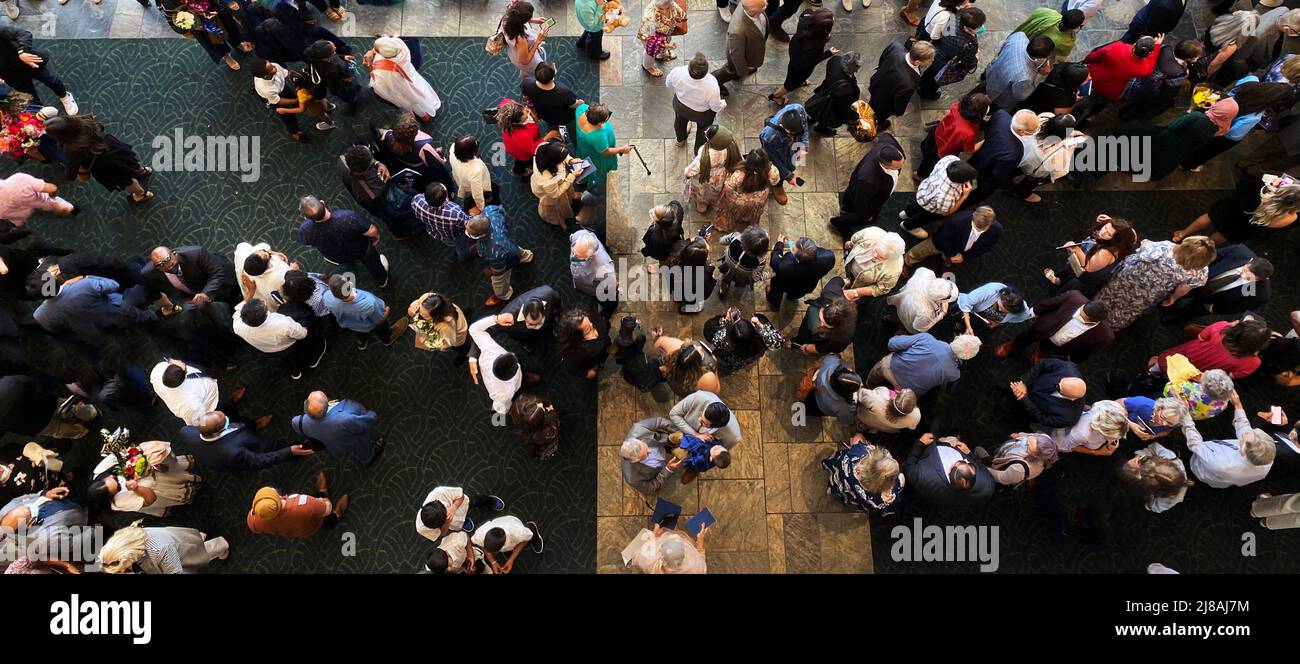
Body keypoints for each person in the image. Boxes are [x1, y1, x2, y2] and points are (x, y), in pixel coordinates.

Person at [1094, 237, 1215, 332]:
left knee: (1110, 293)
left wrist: (1145, 242)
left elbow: (1144, 254)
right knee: (1131, 308)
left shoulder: (1165, 248)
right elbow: (1184, 289)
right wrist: (1173, 298)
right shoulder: (1201, 272)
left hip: (1131, 278)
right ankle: (1109, 327)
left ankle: (1091, 312)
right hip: (1151, 293)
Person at [42, 115, 153, 204]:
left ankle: (141, 194)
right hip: (112, 146)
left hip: (105, 164)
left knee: (126, 181)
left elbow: (70, 175)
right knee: (130, 161)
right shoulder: (84, 121)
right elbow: (101, 128)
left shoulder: (71, 149)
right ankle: (143, 170)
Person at [1181, 391, 1274, 487]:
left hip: (1200, 468)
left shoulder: (1219, 463)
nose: (1246, 433)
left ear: (1242, 451)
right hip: (1229, 477)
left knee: (1188, 457)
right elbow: (1244, 429)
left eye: (1246, 436)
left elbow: (1195, 445)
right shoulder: (1267, 460)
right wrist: (1238, 405)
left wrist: (1185, 416)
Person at [1174, 176, 1300, 246]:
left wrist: (1271, 184)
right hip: (1244, 228)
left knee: (1210, 218)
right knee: (1221, 236)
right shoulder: (1291, 217)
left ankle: (1182, 234)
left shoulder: (1258, 188)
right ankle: (1198, 247)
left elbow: (1240, 186)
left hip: (1230, 212)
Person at [32, 273, 155, 345]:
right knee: (138, 315)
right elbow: (114, 285)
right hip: (117, 312)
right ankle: (151, 320)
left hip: (95, 333)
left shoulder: (39, 315)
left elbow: (55, 329)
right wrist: (86, 278)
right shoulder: (84, 284)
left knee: (118, 334)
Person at [87, 441, 201, 517]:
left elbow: (124, 454)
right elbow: (150, 499)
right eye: (118, 486)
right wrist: (136, 488)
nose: (119, 480)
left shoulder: (100, 470)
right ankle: (186, 487)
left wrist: (138, 460)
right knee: (149, 483)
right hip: (152, 489)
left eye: (115, 478)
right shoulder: (118, 502)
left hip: (147, 472)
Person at [296, 195, 390, 288]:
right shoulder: (348, 217)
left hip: (335, 255)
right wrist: (376, 237)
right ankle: (381, 281)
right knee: (374, 264)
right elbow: (372, 231)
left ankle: (350, 267)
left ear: (306, 218)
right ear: (322, 203)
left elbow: (308, 244)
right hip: (362, 249)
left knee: (346, 262)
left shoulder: (304, 230)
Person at [1164, 246, 1272, 324]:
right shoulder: (1239, 251)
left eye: (1249, 278)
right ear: (1250, 261)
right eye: (1244, 271)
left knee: (1190, 312)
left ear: (1262, 279)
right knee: (1174, 293)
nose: (1243, 276)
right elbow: (1212, 258)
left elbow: (1238, 307)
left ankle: (1173, 320)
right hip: (1198, 281)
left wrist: (1213, 308)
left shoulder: (1261, 294)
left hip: (1213, 301)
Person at [996, 291, 1113, 362]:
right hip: (1044, 327)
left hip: (1058, 346)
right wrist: (1032, 313)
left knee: (1045, 350)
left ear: (1094, 321)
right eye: (1081, 310)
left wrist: (1072, 360)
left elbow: (1086, 352)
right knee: (1026, 337)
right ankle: (1012, 346)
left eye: (1083, 318)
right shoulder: (1074, 297)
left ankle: (1039, 353)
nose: (1078, 315)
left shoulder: (1104, 336)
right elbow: (1049, 304)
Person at [1042, 214, 1138, 297]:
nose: (1102, 232)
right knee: (1070, 271)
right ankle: (1060, 280)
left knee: (1070, 287)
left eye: (1108, 234)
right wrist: (1111, 221)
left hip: (1087, 276)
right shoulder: (1126, 238)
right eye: (1105, 227)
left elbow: (1089, 267)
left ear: (1116, 239)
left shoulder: (1106, 253)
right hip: (1092, 260)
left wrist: (1077, 250)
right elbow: (1131, 231)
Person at [830, 134, 905, 237]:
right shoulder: (868, 180)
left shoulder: (888, 143)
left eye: (902, 162)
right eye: (898, 166)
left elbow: (885, 135)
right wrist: (866, 215)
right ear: (884, 165)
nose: (902, 166)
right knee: (859, 214)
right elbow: (861, 201)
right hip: (864, 194)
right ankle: (839, 222)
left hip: (867, 188)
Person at [1078, 36, 1163, 125]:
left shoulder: (1117, 47)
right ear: (1148, 53)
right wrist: (1157, 47)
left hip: (1092, 77)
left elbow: (1094, 56)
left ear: (1134, 44)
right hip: (1109, 92)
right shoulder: (1143, 68)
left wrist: (1086, 61)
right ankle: (1089, 115)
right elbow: (1150, 66)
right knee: (1100, 104)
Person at [869, 332, 981, 398]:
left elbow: (891, 344)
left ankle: (870, 384)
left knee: (880, 367)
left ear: (956, 338)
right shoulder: (954, 374)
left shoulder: (927, 338)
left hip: (890, 368)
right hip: (905, 392)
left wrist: (898, 337)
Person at [965, 110, 1039, 208]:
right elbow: (999, 175)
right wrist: (1010, 186)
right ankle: (964, 204)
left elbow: (987, 129)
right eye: (1033, 131)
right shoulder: (1013, 153)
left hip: (979, 156)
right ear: (1022, 132)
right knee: (982, 191)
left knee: (965, 173)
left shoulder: (1001, 115)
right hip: (988, 173)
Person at [0, 24, 78, 113]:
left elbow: (23, 34)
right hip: (11, 75)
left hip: (28, 63)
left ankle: (64, 96)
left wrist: (23, 51)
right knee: (29, 97)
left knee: (51, 80)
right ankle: (39, 112)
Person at [291, 390, 384, 465]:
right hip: (351, 440)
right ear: (327, 402)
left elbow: (299, 428)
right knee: (362, 440)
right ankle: (368, 457)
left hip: (335, 447)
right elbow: (366, 421)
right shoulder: (346, 418)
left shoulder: (298, 421)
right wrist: (372, 414)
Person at [902, 433, 994, 508]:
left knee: (947, 438)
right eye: (969, 464)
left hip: (932, 449)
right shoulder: (987, 486)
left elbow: (908, 466)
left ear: (950, 469)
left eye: (962, 462)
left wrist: (920, 443)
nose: (966, 460)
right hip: (944, 500)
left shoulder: (923, 475)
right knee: (954, 439)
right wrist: (969, 453)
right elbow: (981, 466)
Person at [467, 205, 534, 308]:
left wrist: (490, 272)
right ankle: (527, 257)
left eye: (470, 234)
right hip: (508, 242)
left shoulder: (493, 252)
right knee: (517, 251)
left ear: (482, 235)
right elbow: (501, 210)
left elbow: (499, 271)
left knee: (499, 281)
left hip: (505, 259)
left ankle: (503, 295)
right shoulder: (490, 211)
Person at [97, 523, 228, 574]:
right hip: (172, 540)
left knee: (201, 553)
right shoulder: (123, 540)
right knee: (196, 546)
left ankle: (222, 545)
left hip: (179, 554)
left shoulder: (160, 551)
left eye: (123, 570)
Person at [139, 245, 239, 312]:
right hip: (193, 291)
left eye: (173, 264)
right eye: (166, 268)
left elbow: (217, 274)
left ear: (174, 254)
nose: (171, 269)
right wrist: (167, 305)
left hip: (220, 281)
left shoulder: (196, 253)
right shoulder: (148, 273)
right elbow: (152, 291)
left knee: (235, 304)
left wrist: (205, 293)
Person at [1014, 113, 1087, 203]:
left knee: (1014, 171)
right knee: (1031, 182)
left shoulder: (1040, 119)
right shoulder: (1060, 152)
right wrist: (1072, 146)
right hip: (1034, 170)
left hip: (1018, 155)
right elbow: (1061, 171)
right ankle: (1021, 193)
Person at [247, 473, 348, 538]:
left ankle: (322, 492)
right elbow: (327, 508)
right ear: (278, 499)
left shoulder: (254, 520)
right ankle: (337, 513)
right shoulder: (304, 505)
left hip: (297, 530)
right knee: (328, 515)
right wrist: (324, 499)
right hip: (314, 522)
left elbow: (255, 529)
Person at [323, 275, 409, 351]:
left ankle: (362, 342)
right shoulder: (370, 303)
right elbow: (380, 320)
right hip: (369, 324)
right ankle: (387, 340)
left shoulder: (326, 296)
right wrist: (387, 311)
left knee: (359, 331)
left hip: (351, 325)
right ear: (350, 284)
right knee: (381, 328)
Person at [373, 112, 454, 192]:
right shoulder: (423, 148)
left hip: (406, 167)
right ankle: (450, 189)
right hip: (424, 169)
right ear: (414, 134)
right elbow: (437, 163)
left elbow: (381, 132)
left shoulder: (388, 137)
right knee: (441, 173)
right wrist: (438, 152)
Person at [364, 36, 440, 121]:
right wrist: (373, 51)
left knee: (411, 97)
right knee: (419, 89)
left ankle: (423, 112)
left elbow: (379, 88)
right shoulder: (399, 44)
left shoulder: (384, 71)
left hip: (401, 84)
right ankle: (426, 107)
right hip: (410, 75)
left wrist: (371, 67)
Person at [915, 91, 988, 180]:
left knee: (926, 146)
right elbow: (969, 150)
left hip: (937, 132)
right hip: (944, 149)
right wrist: (983, 142)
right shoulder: (968, 132)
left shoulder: (956, 106)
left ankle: (924, 155)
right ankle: (920, 175)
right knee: (929, 163)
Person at [868, 38, 935, 132]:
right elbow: (900, 100)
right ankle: (877, 124)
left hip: (876, 83)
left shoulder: (896, 46)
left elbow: (883, 59)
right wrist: (899, 112)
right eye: (930, 60)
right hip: (886, 101)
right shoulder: (909, 83)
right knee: (880, 114)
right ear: (917, 62)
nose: (932, 61)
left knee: (873, 103)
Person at [899, 157, 977, 237]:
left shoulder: (951, 159)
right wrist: (964, 196)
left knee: (917, 204)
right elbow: (946, 213)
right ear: (959, 181)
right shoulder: (947, 194)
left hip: (926, 191)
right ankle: (907, 226)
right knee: (924, 217)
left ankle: (905, 214)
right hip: (933, 207)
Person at [772, 9, 836, 107]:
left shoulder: (806, 19)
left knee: (795, 75)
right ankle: (776, 96)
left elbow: (806, 12)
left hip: (795, 51)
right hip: (800, 66)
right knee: (791, 83)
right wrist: (828, 53)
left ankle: (801, 81)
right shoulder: (815, 46)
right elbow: (810, 63)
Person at [918, 7, 984, 100]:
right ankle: (926, 93)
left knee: (931, 70)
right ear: (968, 28)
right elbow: (970, 64)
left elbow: (949, 32)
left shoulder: (955, 16)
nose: (981, 27)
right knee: (937, 79)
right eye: (979, 26)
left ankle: (921, 82)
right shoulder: (968, 44)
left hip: (938, 50)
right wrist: (976, 57)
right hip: (946, 62)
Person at [822, 440, 903, 515]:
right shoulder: (880, 498)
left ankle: (831, 480)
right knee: (902, 481)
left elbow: (858, 442)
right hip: (857, 496)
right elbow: (881, 505)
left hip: (842, 475)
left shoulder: (858, 453)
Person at [667, 53, 727, 153]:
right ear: (706, 71)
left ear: (689, 66)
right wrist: (723, 104)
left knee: (679, 122)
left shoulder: (677, 72)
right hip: (702, 115)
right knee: (703, 132)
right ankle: (697, 151)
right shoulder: (712, 85)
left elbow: (668, 83)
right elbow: (715, 107)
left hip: (681, 106)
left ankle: (680, 140)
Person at [468, 313, 526, 415]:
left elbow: (473, 329)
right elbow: (499, 405)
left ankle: (524, 377)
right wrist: (507, 411)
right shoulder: (504, 394)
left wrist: (496, 319)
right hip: (508, 390)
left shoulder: (489, 350)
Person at [714, 148, 781, 231]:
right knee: (754, 206)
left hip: (740, 201)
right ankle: (748, 218)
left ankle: (723, 225)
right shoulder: (773, 171)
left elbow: (728, 188)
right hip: (758, 200)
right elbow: (775, 182)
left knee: (728, 203)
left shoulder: (739, 175)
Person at [983, 33, 1055, 111]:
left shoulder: (1020, 36)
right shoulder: (1025, 77)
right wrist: (1041, 75)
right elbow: (1020, 96)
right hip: (998, 95)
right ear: (1040, 58)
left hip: (992, 71)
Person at [1010, 358, 1088, 429]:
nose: (1056, 383)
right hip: (1031, 382)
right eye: (1060, 380)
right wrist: (1024, 382)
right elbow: (1043, 363)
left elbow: (1042, 418)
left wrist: (1024, 398)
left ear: (1070, 398)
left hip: (1029, 408)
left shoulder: (1068, 418)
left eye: (1058, 387)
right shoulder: (1068, 368)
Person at [712, 0, 769, 97]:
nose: (766, 4)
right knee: (731, 70)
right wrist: (743, 71)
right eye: (763, 6)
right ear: (752, 12)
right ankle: (714, 81)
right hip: (740, 55)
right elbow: (736, 55)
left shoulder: (750, 7)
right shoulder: (737, 31)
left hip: (748, 47)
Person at [757, 104, 809, 206]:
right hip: (779, 152)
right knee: (777, 169)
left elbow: (805, 127)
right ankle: (777, 185)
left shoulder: (798, 109)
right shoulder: (769, 137)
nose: (793, 136)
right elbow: (774, 160)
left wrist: (804, 144)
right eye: (791, 133)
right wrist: (788, 176)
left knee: (790, 162)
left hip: (790, 150)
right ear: (782, 126)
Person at [684, 124, 742, 213]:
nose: (705, 132)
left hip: (705, 177)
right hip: (720, 176)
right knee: (714, 191)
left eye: (708, 134)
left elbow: (689, 172)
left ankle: (702, 207)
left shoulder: (705, 156)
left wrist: (686, 174)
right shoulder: (730, 146)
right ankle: (713, 202)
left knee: (702, 193)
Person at [791, 277, 857, 355]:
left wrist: (807, 348)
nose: (820, 324)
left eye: (824, 324)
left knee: (815, 335)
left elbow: (822, 348)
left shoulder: (843, 337)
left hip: (826, 338)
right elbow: (838, 280)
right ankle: (800, 339)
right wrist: (846, 282)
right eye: (821, 319)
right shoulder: (830, 292)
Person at [411, 182, 474, 262]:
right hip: (455, 236)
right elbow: (468, 223)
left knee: (448, 242)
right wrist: (473, 214)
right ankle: (462, 258)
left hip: (435, 231)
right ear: (445, 198)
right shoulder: (455, 213)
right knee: (462, 248)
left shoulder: (416, 200)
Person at [806, 51, 863, 137]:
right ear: (853, 69)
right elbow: (844, 107)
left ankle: (812, 118)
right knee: (825, 115)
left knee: (816, 107)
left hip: (824, 91)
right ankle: (821, 128)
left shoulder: (835, 60)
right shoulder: (847, 90)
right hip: (831, 104)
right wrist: (855, 116)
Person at [620, 417, 683, 495]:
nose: (650, 451)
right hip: (659, 468)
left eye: (646, 447)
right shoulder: (632, 478)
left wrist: (678, 432)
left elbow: (659, 421)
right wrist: (668, 469)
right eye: (646, 455)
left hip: (666, 443)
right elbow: (650, 488)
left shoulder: (639, 428)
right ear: (636, 461)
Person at [767, 235, 834, 308]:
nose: (792, 244)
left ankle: (774, 304)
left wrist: (779, 245)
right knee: (796, 293)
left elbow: (774, 261)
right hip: (806, 286)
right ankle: (791, 298)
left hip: (785, 283)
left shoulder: (785, 265)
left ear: (798, 260)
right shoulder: (829, 257)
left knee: (776, 291)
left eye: (792, 248)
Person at [887, 266, 958, 334]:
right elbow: (919, 327)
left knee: (894, 313)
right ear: (941, 300)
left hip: (902, 298)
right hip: (908, 317)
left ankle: (887, 318)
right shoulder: (926, 313)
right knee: (901, 321)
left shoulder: (926, 273)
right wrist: (942, 314)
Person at [574, 102, 630, 187]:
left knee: (584, 162)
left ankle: (581, 178)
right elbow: (605, 152)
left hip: (584, 147)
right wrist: (622, 149)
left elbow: (580, 104)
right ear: (600, 123)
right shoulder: (598, 136)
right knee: (595, 168)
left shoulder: (581, 109)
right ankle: (590, 182)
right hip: (596, 155)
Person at [416, 486, 506, 539]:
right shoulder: (421, 529)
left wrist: (453, 507)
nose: (448, 514)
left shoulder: (439, 492)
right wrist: (447, 524)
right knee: (459, 523)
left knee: (476, 501)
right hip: (454, 523)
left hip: (461, 504)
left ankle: (489, 500)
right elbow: (442, 533)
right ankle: (464, 521)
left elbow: (460, 496)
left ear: (437, 501)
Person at [843, 226, 906, 301]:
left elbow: (880, 289)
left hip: (859, 283)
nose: (875, 256)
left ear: (890, 258)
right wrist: (849, 245)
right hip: (848, 264)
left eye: (881, 257)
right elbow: (853, 240)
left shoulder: (895, 270)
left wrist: (855, 292)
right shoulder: (871, 233)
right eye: (875, 250)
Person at [303, 39, 364, 115]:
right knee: (349, 96)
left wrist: (343, 57)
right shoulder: (331, 70)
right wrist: (347, 78)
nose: (335, 48)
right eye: (334, 50)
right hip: (342, 87)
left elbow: (334, 57)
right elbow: (338, 81)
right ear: (328, 56)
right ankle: (352, 104)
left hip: (337, 80)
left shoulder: (314, 55)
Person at [496, 98, 555, 178]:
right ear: (518, 121)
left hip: (516, 144)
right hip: (523, 151)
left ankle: (518, 169)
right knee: (523, 161)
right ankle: (519, 171)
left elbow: (507, 102)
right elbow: (533, 149)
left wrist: (531, 115)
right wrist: (548, 136)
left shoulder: (510, 108)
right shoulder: (520, 135)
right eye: (524, 113)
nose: (526, 110)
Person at [530, 140, 583, 228]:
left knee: (568, 192)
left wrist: (570, 160)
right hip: (551, 193)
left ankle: (571, 196)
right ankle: (558, 219)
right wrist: (572, 176)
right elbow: (556, 193)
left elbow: (559, 152)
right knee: (558, 206)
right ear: (554, 162)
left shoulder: (544, 147)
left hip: (561, 181)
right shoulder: (547, 181)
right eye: (562, 158)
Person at [569, 228, 618, 318]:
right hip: (582, 283)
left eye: (579, 256)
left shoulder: (604, 269)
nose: (573, 256)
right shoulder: (579, 235)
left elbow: (612, 286)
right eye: (573, 251)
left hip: (594, 289)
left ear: (589, 256)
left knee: (609, 301)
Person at [803, 354, 862, 427]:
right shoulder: (844, 407)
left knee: (807, 404)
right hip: (820, 407)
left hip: (815, 392)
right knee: (811, 410)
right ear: (845, 393)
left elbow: (834, 356)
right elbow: (844, 420)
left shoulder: (832, 362)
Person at [669, 390, 743, 449]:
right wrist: (695, 434)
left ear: (715, 427)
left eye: (703, 423)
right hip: (679, 428)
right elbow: (673, 414)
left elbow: (718, 453)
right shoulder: (698, 397)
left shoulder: (732, 437)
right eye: (702, 415)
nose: (699, 419)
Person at [980, 432, 1059, 487]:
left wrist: (980, 468)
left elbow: (999, 476)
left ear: (1034, 457)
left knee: (990, 469)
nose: (1026, 440)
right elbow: (1029, 436)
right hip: (1005, 453)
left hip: (1000, 468)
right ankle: (993, 459)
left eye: (1027, 445)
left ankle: (987, 464)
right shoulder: (1044, 438)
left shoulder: (1020, 469)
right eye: (1031, 439)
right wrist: (1019, 435)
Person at [1052, 399, 1128, 456]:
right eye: (1112, 437)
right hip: (1060, 434)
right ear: (1103, 431)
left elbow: (1123, 414)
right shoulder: (1082, 434)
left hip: (1074, 413)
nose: (1116, 439)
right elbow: (1068, 446)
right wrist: (1098, 452)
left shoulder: (1109, 409)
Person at [521, 61, 582, 132]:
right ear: (554, 75)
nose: (554, 64)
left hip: (545, 115)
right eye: (554, 67)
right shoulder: (564, 91)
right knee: (572, 129)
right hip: (565, 117)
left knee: (552, 128)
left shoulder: (527, 82)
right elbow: (574, 105)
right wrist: (580, 102)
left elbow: (525, 97)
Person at [663, 235, 717, 314]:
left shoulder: (677, 250)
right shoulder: (703, 277)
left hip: (678, 291)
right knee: (696, 305)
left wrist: (696, 240)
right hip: (690, 295)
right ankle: (685, 309)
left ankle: (681, 306)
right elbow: (706, 294)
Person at [955, 282, 1033, 336]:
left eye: (1003, 311)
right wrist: (968, 327)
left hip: (985, 323)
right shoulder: (991, 289)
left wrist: (997, 323)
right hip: (969, 310)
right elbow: (967, 303)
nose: (999, 310)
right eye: (999, 306)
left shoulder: (1023, 313)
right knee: (957, 319)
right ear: (1002, 294)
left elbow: (1011, 320)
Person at [471, 516, 543, 574]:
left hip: (514, 524)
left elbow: (525, 540)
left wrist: (511, 560)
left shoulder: (518, 533)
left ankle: (531, 527)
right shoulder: (480, 533)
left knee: (529, 534)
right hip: (500, 522)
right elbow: (481, 545)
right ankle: (510, 549)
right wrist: (493, 562)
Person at [626, 524, 708, 574]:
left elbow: (640, 554)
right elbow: (700, 557)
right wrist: (700, 539)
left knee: (644, 537)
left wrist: (654, 534)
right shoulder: (694, 568)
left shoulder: (649, 560)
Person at [636, 0, 688, 78]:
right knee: (650, 51)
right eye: (660, 8)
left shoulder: (670, 4)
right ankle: (648, 66)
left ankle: (662, 53)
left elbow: (676, 8)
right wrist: (668, 46)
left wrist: (680, 15)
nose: (664, 11)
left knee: (668, 39)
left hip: (666, 31)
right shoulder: (649, 17)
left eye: (668, 8)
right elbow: (655, 41)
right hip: (650, 37)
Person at [557, 307, 611, 379]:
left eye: (591, 324)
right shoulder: (575, 353)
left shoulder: (592, 317)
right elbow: (571, 368)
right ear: (577, 338)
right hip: (592, 361)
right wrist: (585, 374)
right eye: (589, 331)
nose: (596, 333)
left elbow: (603, 324)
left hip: (603, 351)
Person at [0, 173, 76, 225]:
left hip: (26, 217)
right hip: (47, 204)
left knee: (48, 219)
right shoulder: (18, 180)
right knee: (67, 209)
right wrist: (53, 195)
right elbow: (52, 189)